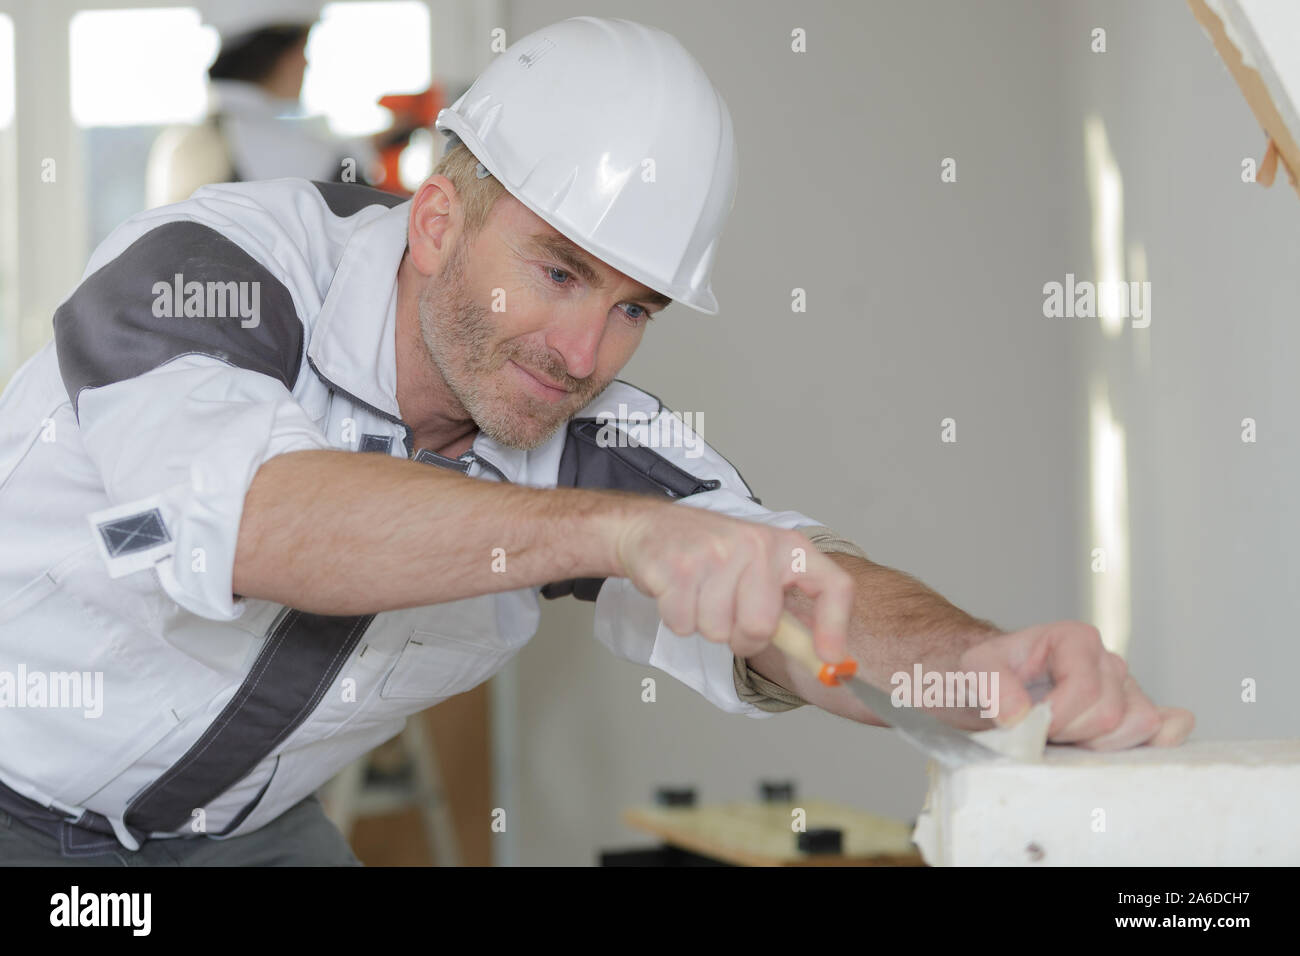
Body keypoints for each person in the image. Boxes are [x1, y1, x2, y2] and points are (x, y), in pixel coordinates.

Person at [0, 16, 1193, 867]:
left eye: (632, 307)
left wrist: (982, 669)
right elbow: (263, 520)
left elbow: (788, 580)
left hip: (241, 836)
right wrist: (623, 533)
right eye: (560, 271)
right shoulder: (215, 275)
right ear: (434, 219)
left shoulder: (573, 434)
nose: (585, 353)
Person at [145, 1, 380, 208]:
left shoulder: (184, 143)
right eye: (304, 50)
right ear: (281, 56)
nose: (306, 63)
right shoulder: (319, 157)